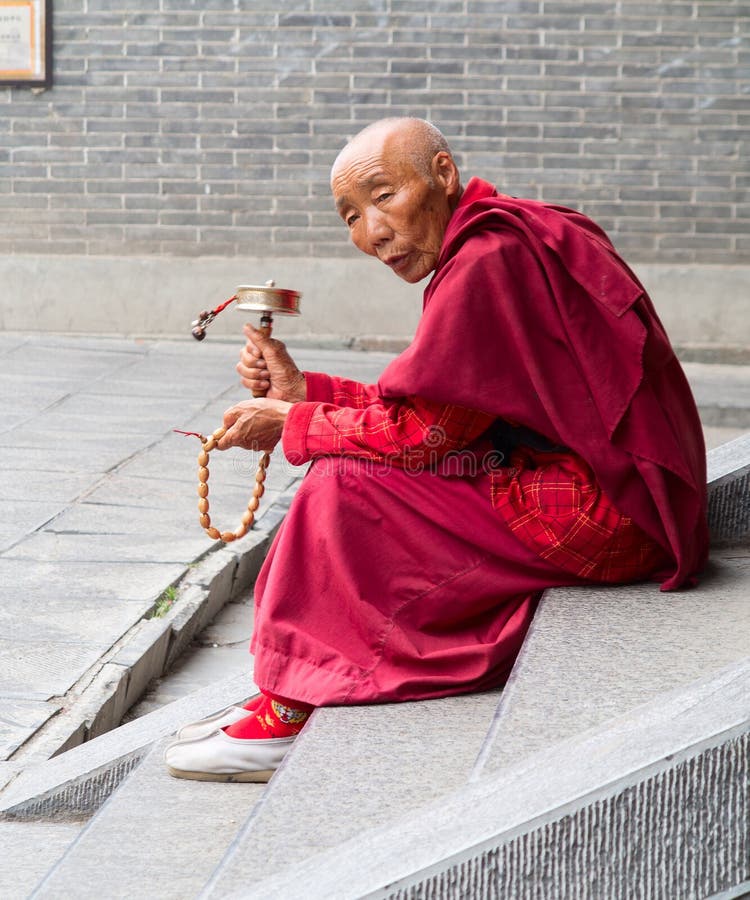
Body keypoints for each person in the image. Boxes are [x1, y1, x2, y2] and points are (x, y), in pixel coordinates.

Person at [164, 118, 709, 782]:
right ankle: (294, 682)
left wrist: (295, 423)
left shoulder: (487, 261)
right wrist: (306, 391)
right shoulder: (500, 241)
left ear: (442, 175)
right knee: (354, 470)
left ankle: (287, 709)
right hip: (617, 490)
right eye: (350, 217)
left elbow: (429, 436)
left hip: (600, 507)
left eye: (383, 196)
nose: (372, 232)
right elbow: (445, 406)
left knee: (344, 488)